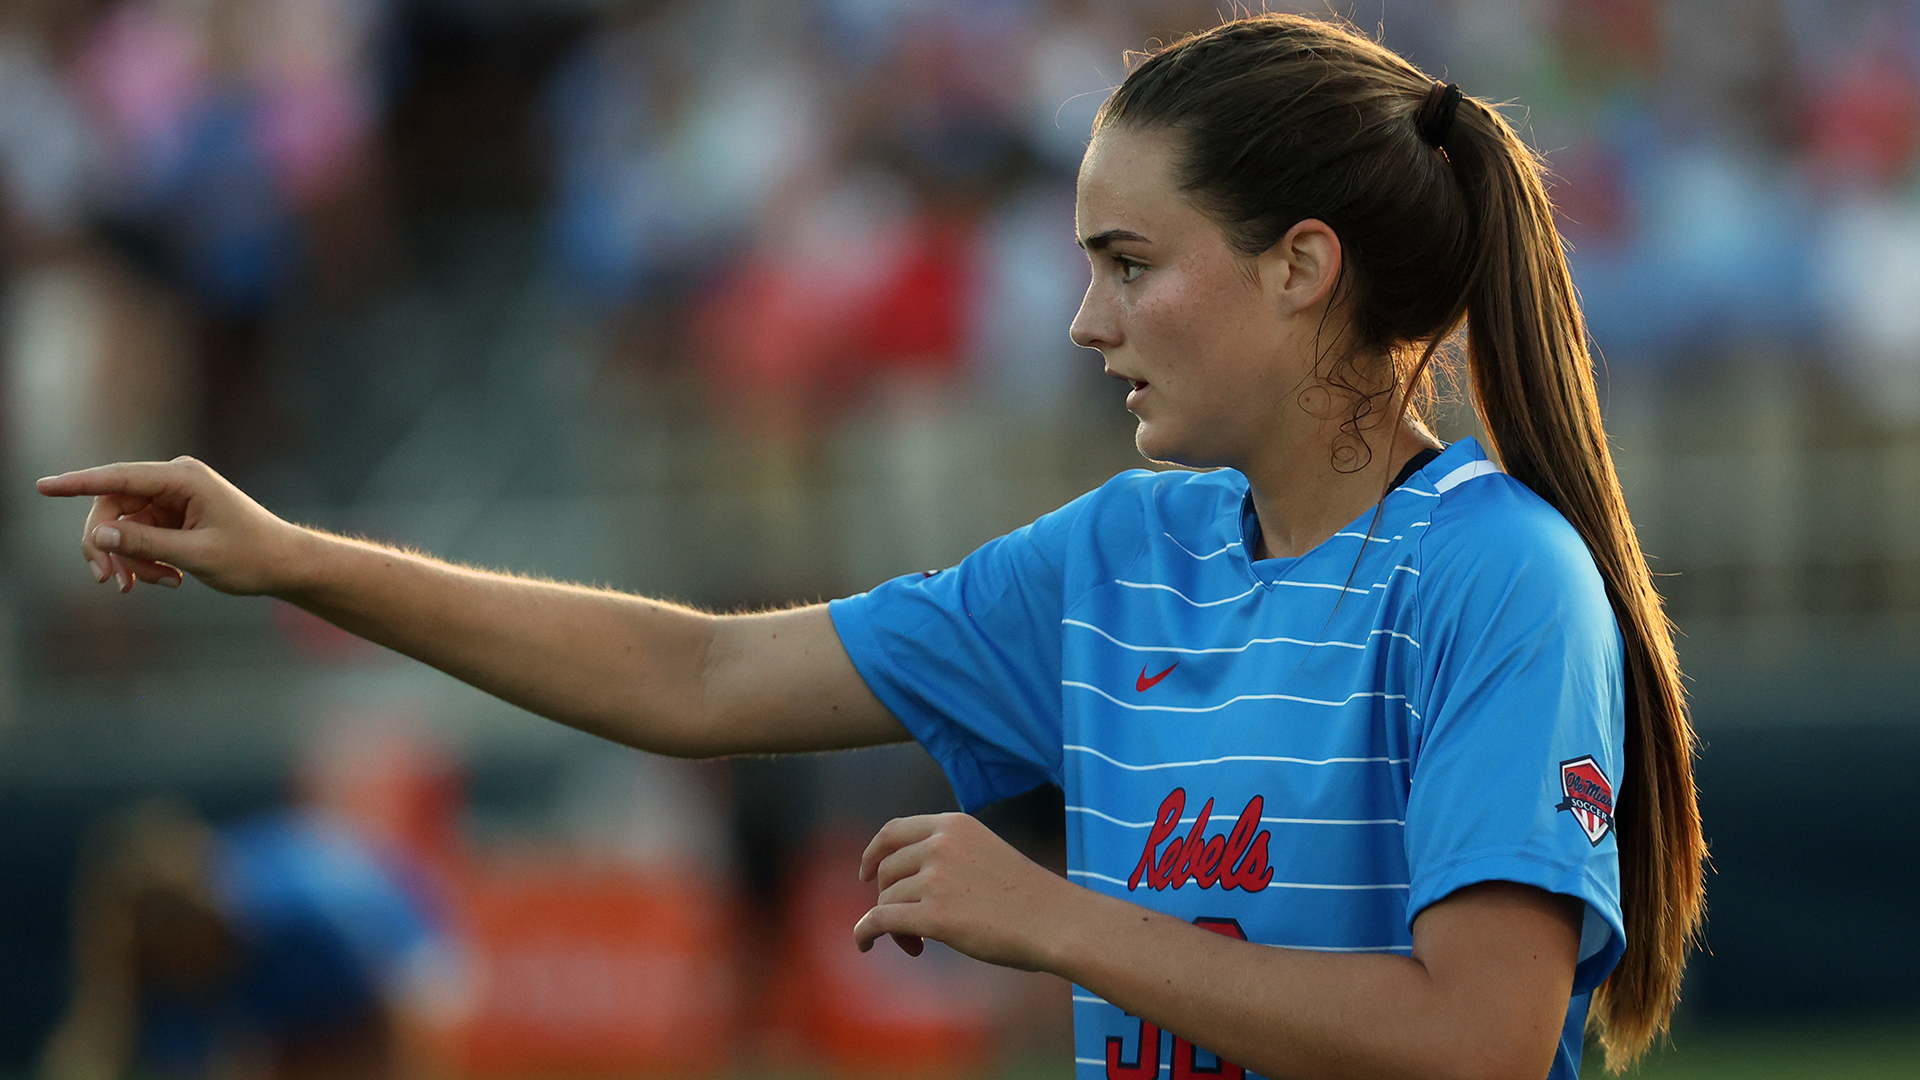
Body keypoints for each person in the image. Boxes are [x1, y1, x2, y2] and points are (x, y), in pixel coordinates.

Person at [38, 14, 1704, 1080]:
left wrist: (1064, 922)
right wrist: (293, 555)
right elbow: (699, 674)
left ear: (1303, 267)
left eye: (1131, 262)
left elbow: (1481, 1043)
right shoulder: (1123, 553)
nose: (1084, 320)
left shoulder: (1496, 574)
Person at [38, 800, 448, 1080]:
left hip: (409, 945)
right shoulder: (151, 967)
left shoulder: (298, 918)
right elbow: (94, 1049)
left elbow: (407, 1026)